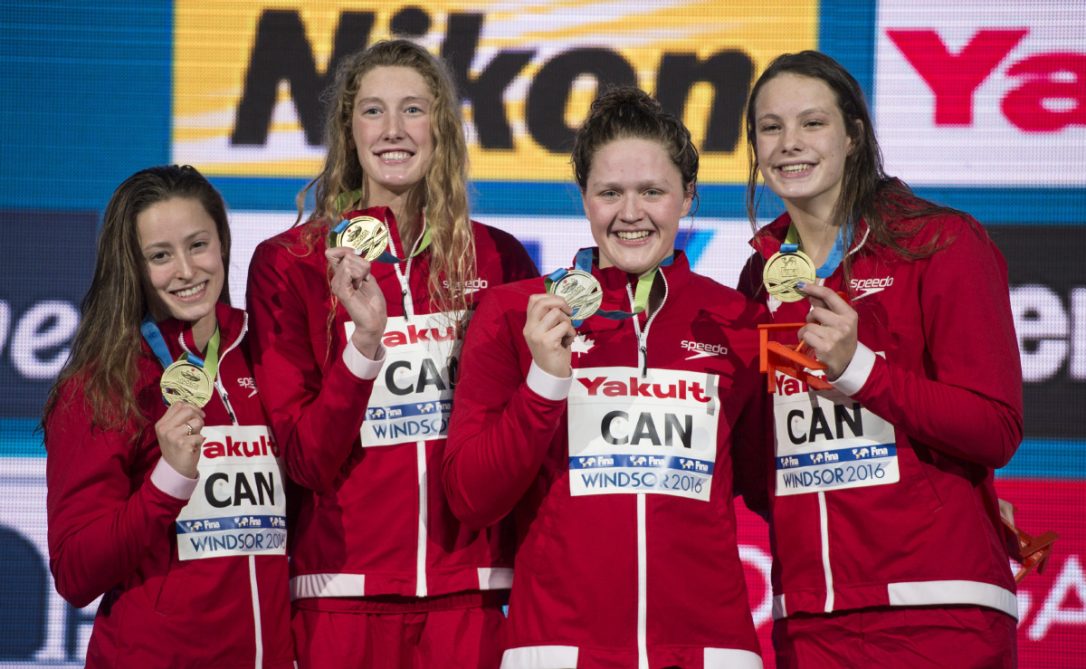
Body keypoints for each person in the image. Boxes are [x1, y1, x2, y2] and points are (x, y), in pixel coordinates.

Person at [444, 86, 769, 669]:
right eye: (609, 193)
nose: (631, 213)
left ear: (687, 196)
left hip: (711, 650)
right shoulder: (516, 313)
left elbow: (762, 481)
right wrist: (545, 381)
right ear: (584, 198)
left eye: (653, 192)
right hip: (557, 648)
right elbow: (471, 495)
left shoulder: (735, 321)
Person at [245, 39, 538, 668]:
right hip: (340, 596)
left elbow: (518, 438)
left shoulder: (497, 259)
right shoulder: (290, 265)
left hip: (472, 595)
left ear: (443, 128)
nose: (393, 130)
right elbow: (304, 460)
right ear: (348, 130)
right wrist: (364, 348)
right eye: (373, 111)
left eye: (414, 109)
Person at [738, 50, 1023, 668]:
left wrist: (859, 371)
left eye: (812, 123)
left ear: (853, 136)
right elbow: (772, 464)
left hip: (939, 610)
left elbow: (995, 427)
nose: (790, 144)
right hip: (812, 618)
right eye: (770, 127)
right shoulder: (760, 280)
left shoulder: (941, 243)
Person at [43, 165, 294, 668]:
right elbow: (75, 575)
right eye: (160, 256)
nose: (186, 270)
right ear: (132, 267)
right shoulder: (105, 384)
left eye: (198, 244)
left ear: (222, 242)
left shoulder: (266, 350)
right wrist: (168, 482)